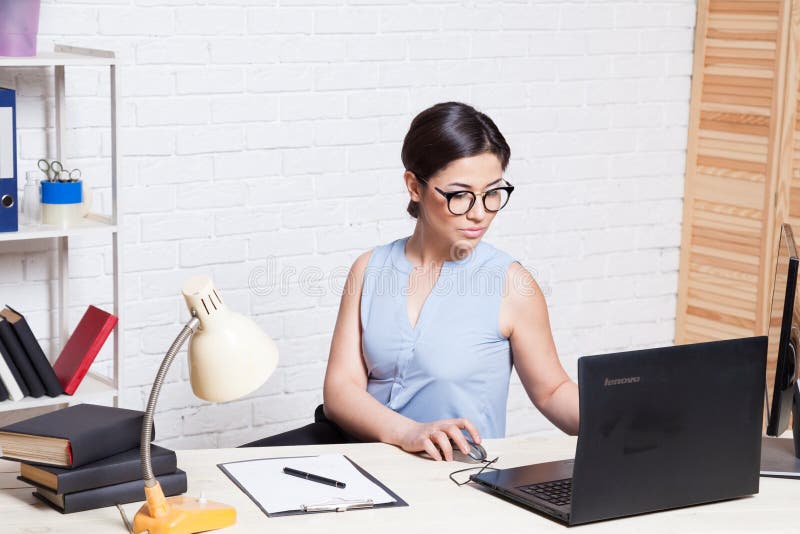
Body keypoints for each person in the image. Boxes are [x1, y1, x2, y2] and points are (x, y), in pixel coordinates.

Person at [243, 102, 579, 458]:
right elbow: (342, 391)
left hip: (461, 478)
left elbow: (552, 390)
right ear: (414, 187)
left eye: (492, 193)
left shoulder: (511, 285)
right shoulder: (369, 269)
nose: (479, 212)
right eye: (460, 195)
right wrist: (409, 433)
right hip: (368, 473)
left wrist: (626, 423)